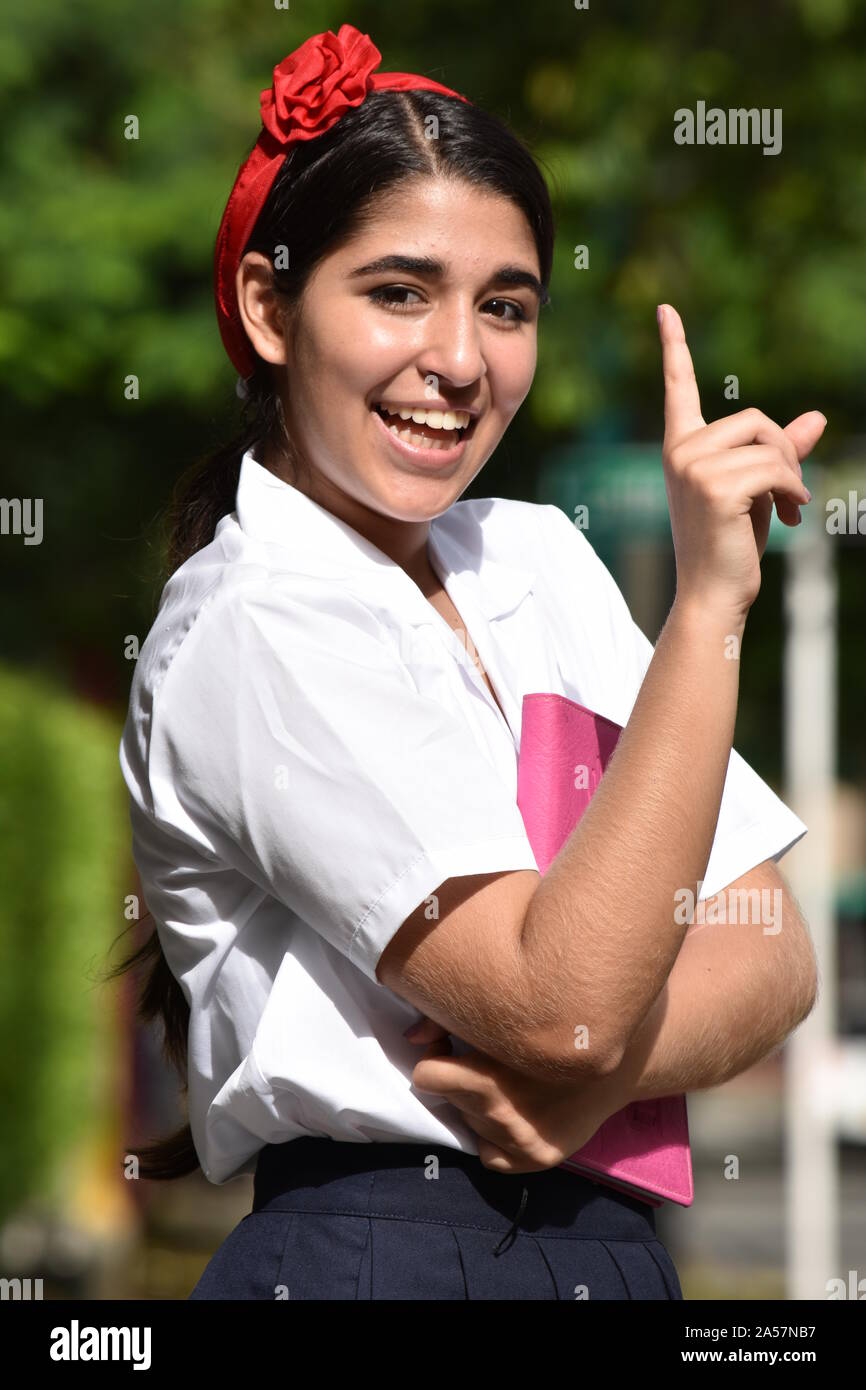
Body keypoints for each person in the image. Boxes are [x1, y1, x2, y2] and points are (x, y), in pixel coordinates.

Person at [115, 23, 822, 1300]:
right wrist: (708, 607)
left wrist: (601, 1079)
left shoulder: (539, 557)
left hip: (607, 1249)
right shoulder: (251, 622)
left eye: (505, 305)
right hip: (373, 1255)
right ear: (268, 308)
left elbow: (771, 945)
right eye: (397, 291)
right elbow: (561, 1000)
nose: (457, 359)